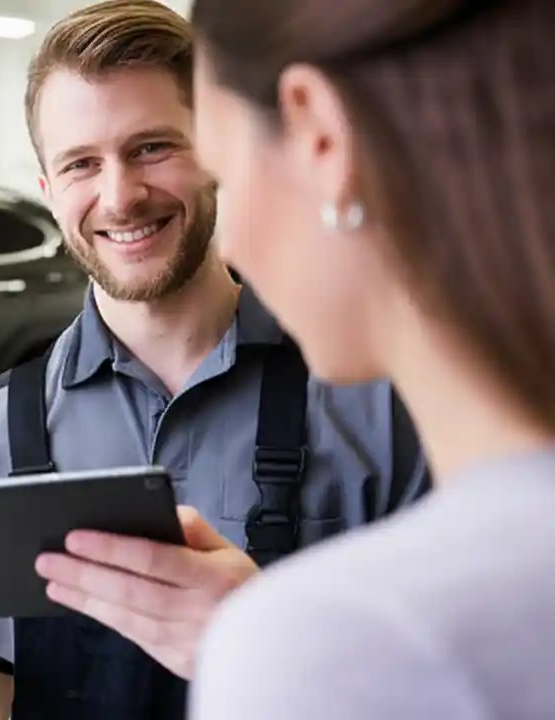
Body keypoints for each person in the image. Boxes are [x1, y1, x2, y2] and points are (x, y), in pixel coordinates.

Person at [0, 2, 429, 718]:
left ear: (218, 153)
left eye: (152, 148)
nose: (120, 195)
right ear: (49, 191)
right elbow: (4, 687)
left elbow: (481, 678)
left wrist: (278, 640)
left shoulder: (370, 402)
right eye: (80, 163)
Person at [181, 0, 555, 717]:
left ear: (318, 134)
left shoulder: (338, 642)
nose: (227, 247)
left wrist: (275, 641)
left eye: (223, 178)